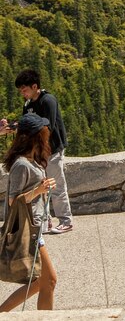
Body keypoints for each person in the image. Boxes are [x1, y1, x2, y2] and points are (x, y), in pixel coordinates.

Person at [0, 71, 72, 235]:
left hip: (52, 150)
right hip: (36, 153)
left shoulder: (48, 101)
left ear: (35, 86)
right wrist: (9, 128)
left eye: (24, 90)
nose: (22, 93)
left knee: (57, 185)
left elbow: (49, 127)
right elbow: (26, 125)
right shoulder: (28, 104)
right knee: (40, 188)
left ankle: (66, 220)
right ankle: (45, 222)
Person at [0, 114, 58, 311]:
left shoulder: (31, 160)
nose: (47, 133)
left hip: (35, 227)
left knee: (43, 282)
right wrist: (39, 190)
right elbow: (13, 201)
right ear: (35, 135)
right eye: (44, 130)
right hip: (28, 229)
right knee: (48, 280)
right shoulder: (22, 165)